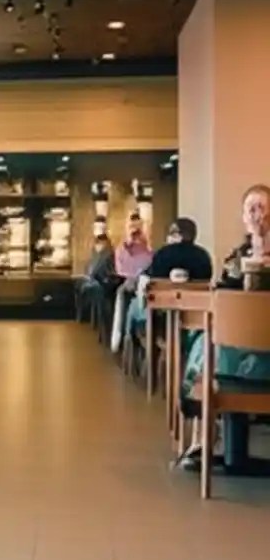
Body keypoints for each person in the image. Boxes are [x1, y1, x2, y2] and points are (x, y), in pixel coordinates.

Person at [176, 184, 270, 472]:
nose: (257, 215)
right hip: (238, 349)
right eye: (251, 209)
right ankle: (204, 439)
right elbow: (223, 293)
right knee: (204, 341)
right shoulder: (236, 257)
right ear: (243, 217)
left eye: (263, 208)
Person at [124, 217, 213, 334]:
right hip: (196, 316)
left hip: (161, 315)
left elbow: (148, 277)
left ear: (177, 235)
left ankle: (128, 343)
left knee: (133, 307)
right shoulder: (203, 257)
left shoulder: (162, 254)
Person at [110, 212, 154, 352]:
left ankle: (135, 333)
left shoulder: (150, 252)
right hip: (126, 284)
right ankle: (123, 336)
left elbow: (150, 269)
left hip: (144, 286)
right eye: (132, 227)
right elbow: (120, 270)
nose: (135, 231)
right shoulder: (121, 250)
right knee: (123, 293)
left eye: (138, 227)